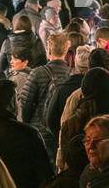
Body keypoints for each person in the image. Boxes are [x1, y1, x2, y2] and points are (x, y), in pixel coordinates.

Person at [18, 31, 71, 161]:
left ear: (48, 49)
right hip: (62, 130)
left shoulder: (37, 73)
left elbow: (26, 103)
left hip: (39, 130)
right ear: (66, 50)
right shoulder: (71, 75)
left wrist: (27, 124)